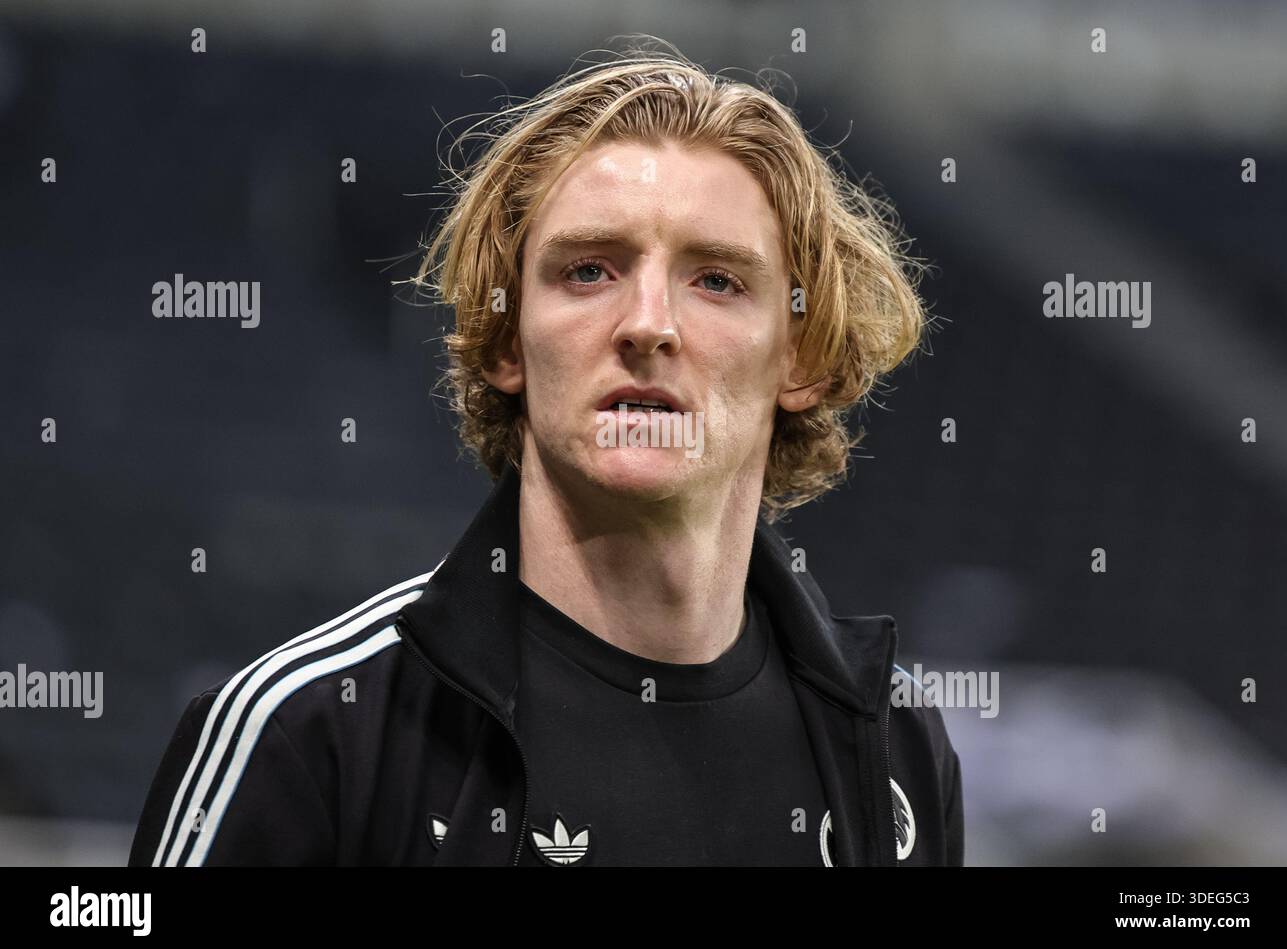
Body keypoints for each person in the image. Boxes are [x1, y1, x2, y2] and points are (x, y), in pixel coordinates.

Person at [128, 41, 962, 867]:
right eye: (590, 270)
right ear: (505, 341)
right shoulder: (311, 734)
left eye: (716, 280)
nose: (648, 324)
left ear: (803, 357)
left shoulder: (894, 743)